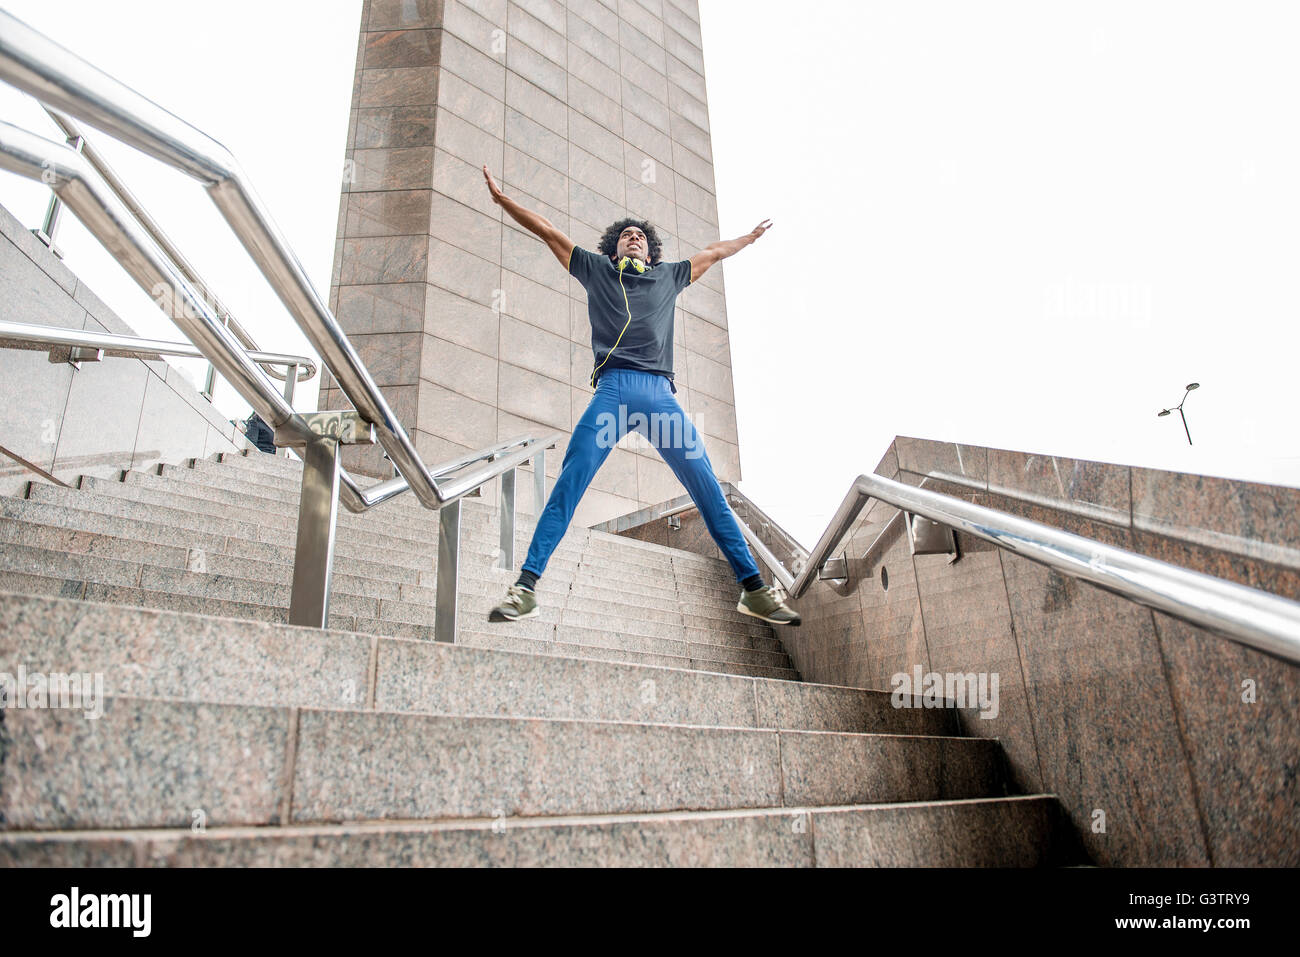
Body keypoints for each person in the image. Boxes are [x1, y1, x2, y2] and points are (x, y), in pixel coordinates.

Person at [480, 165, 800, 627]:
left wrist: (748, 239)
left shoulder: (669, 277)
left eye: (641, 237)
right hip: (612, 393)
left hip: (659, 398)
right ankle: (526, 587)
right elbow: (548, 231)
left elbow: (713, 252)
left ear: (651, 251)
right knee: (571, 480)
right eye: (627, 235)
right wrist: (503, 200)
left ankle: (753, 588)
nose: (634, 238)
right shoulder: (594, 270)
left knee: (707, 486)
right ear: (613, 248)